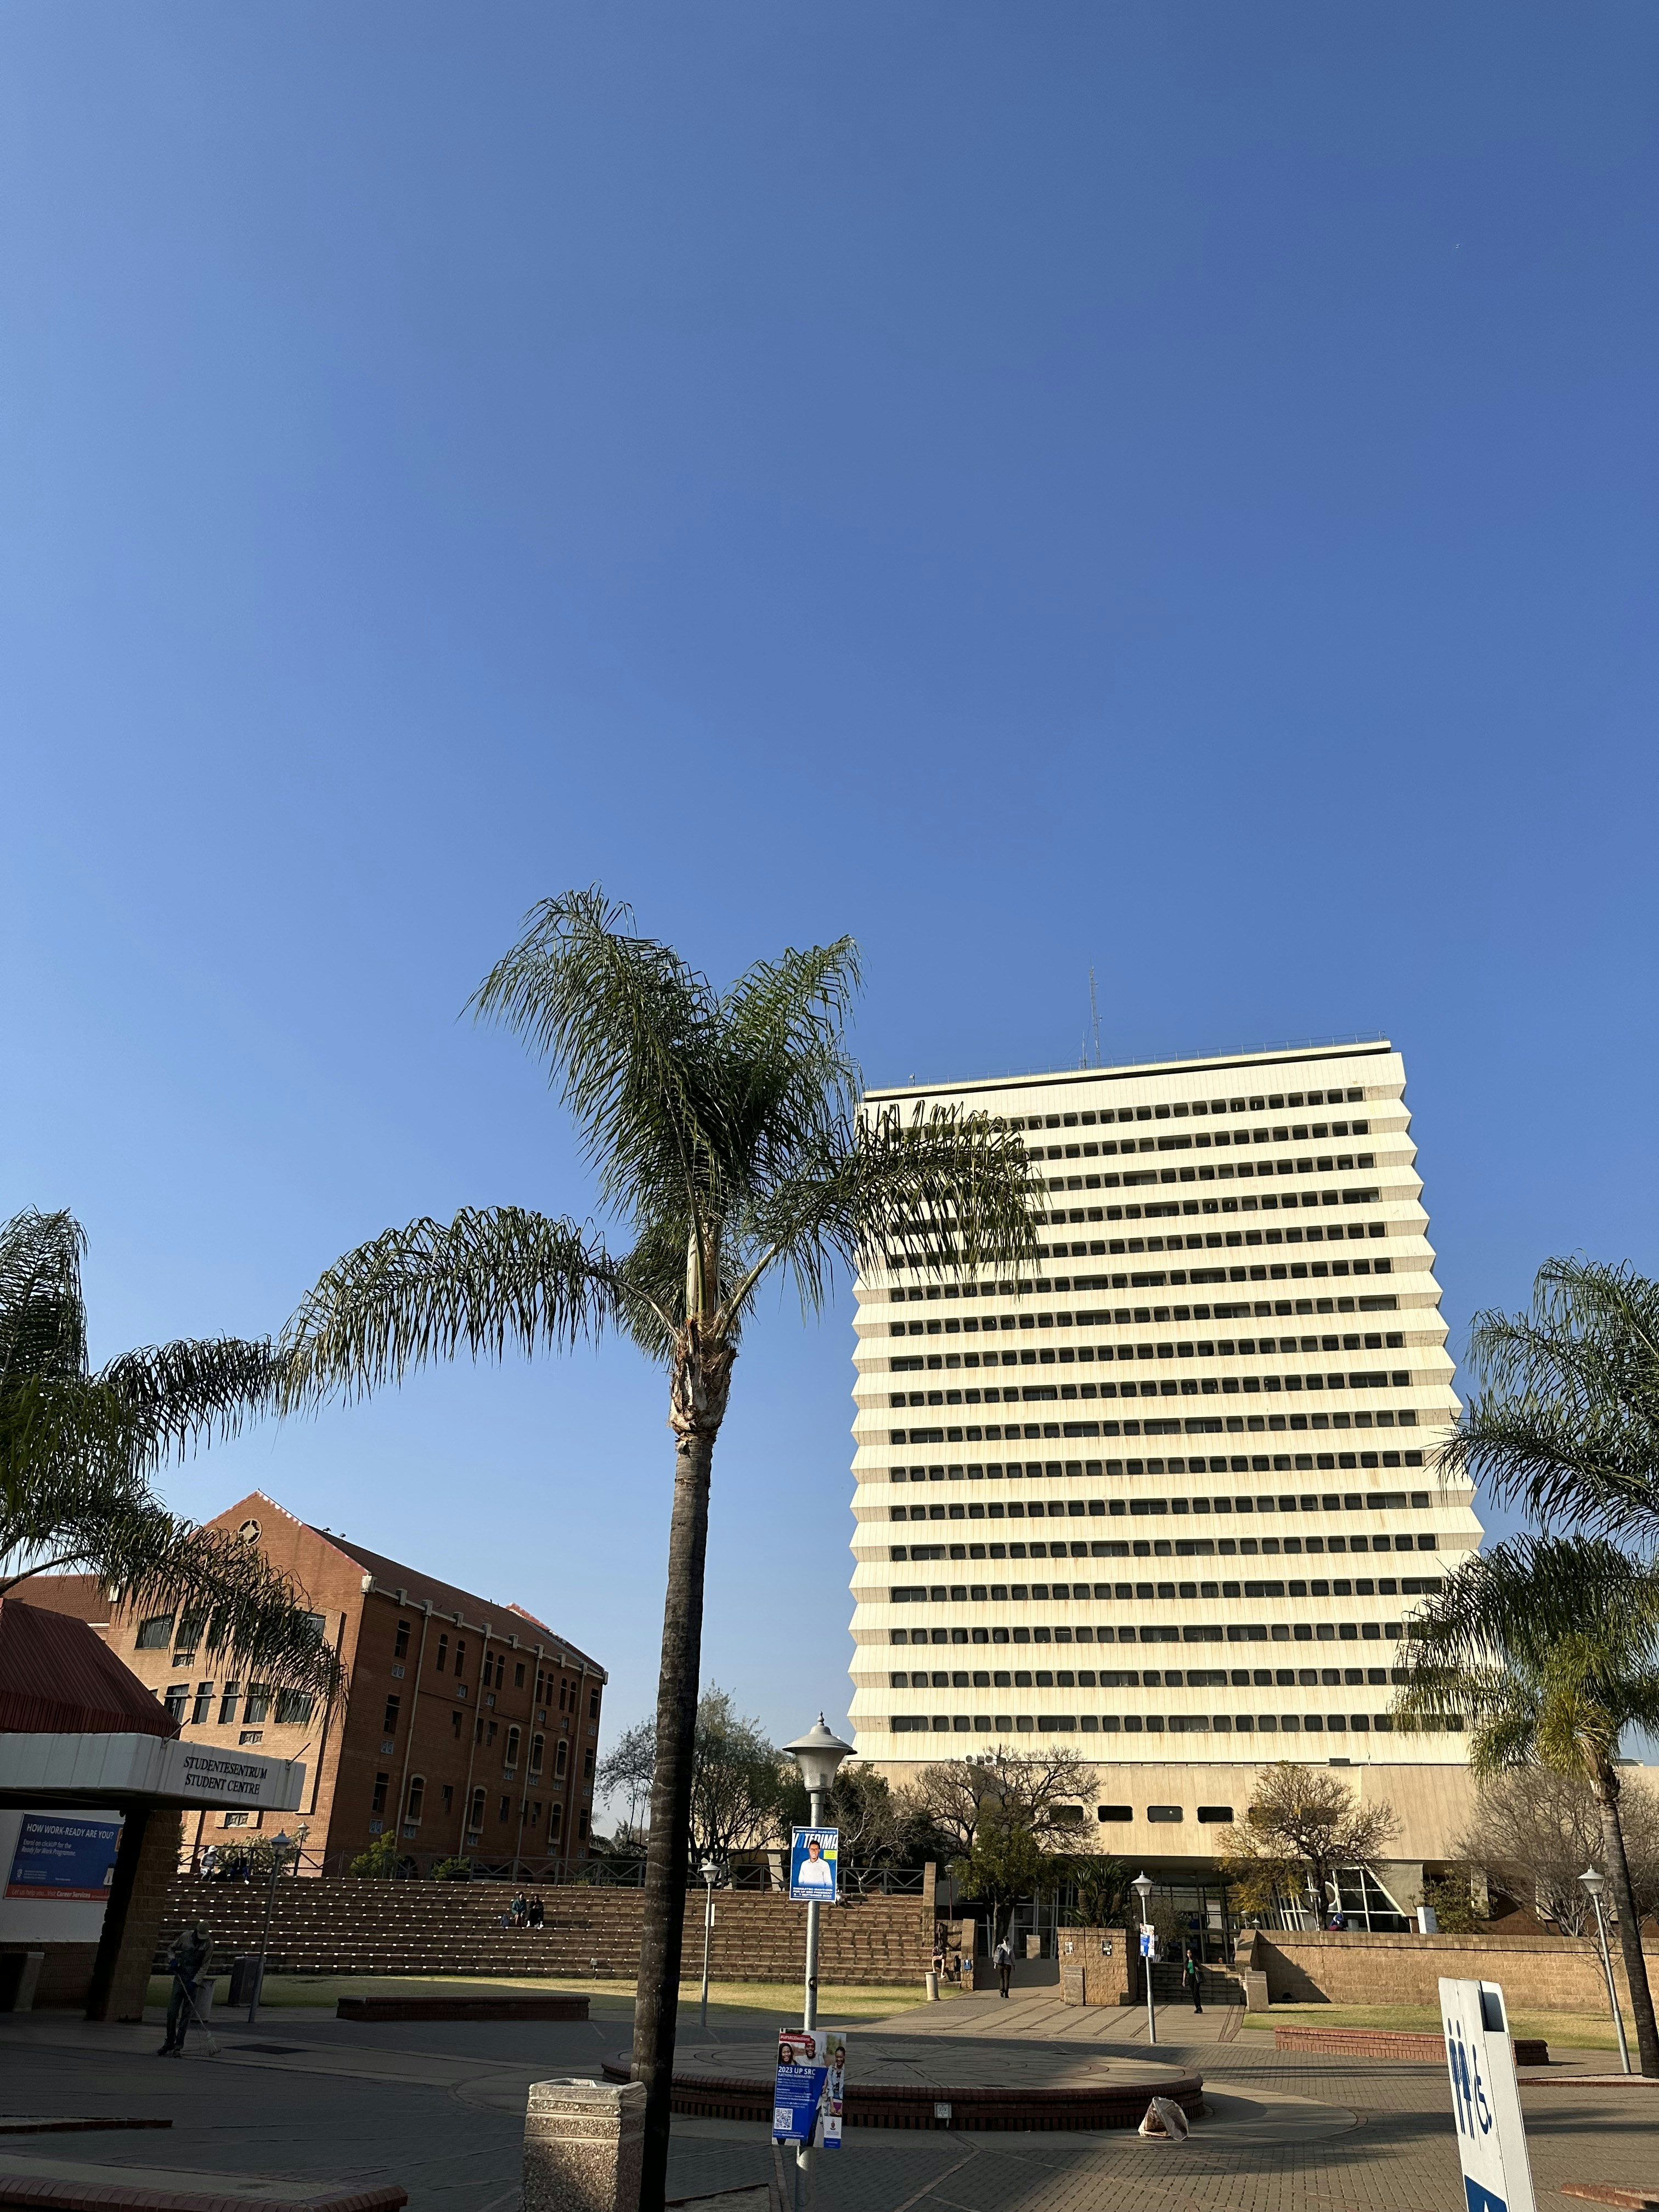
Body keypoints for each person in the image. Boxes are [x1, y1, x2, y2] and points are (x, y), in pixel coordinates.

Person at [157, 1921, 213, 2057]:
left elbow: (205, 1966)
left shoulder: (209, 1944)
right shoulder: (185, 1937)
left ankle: (178, 2045)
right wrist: (173, 1961)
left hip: (192, 1980)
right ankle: (169, 2041)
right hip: (181, 1977)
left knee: (186, 2015)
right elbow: (171, 1949)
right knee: (172, 2012)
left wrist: (195, 1982)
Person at [1182, 1949, 1204, 2015]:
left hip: (1196, 1977)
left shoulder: (1195, 1961)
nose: (1189, 1954)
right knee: (1193, 1993)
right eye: (1188, 1953)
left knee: (1196, 1992)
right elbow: (1185, 1971)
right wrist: (1184, 1980)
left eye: (1190, 1953)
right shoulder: (1187, 1962)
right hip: (1190, 1978)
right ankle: (1197, 2007)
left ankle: (1199, 2006)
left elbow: (1201, 1968)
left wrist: (1198, 1968)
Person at [994, 1935, 1013, 2000]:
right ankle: (1006, 1993)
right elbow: (1013, 1958)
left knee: (1002, 1978)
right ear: (1008, 1941)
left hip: (1000, 1964)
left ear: (1003, 1940)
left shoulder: (999, 1946)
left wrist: (995, 1964)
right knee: (1007, 1979)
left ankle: (1002, 1990)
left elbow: (996, 1956)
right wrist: (1014, 1965)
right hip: (1008, 1965)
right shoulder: (1010, 1948)